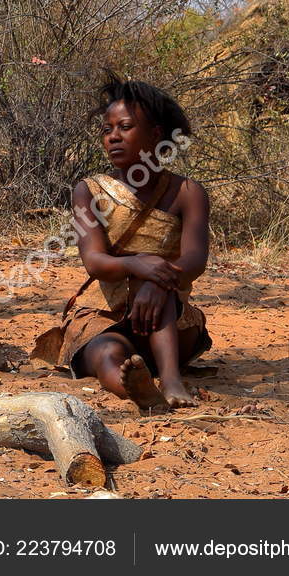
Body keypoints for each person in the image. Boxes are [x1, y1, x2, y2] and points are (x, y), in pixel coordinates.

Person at [33, 78, 210, 412]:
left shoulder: (188, 192)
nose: (113, 136)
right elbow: (95, 262)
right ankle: (137, 389)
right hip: (104, 316)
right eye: (107, 129)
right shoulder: (90, 191)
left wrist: (159, 282)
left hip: (169, 319)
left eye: (125, 127)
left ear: (156, 134)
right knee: (106, 352)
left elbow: (196, 259)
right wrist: (136, 264)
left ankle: (171, 379)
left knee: (154, 283)